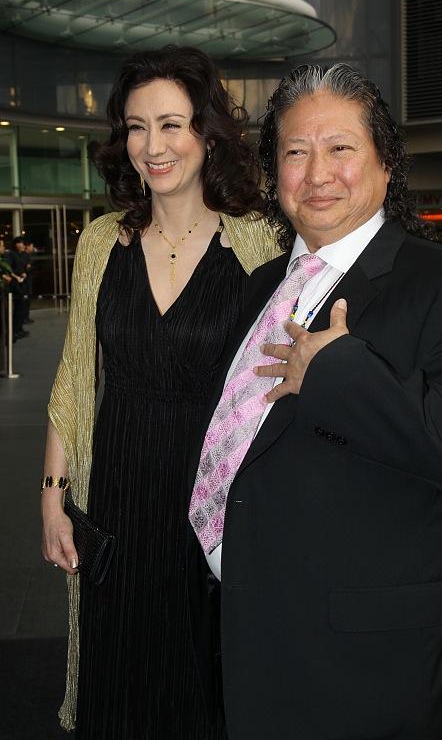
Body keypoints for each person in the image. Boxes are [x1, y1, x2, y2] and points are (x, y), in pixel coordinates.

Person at [188, 64, 442, 740]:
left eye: (340, 147)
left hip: (379, 671)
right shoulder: (260, 288)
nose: (317, 172)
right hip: (254, 635)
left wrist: (343, 374)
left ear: (386, 163)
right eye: (295, 151)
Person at [41, 45, 282, 739]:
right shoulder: (99, 243)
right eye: (138, 127)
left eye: (172, 124)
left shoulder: (259, 243)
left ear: (207, 132)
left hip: (214, 500)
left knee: (204, 676)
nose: (154, 146)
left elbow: (281, 381)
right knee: (116, 676)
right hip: (114, 491)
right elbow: (75, 378)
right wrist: (53, 495)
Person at [5, 236, 29, 340]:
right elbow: (9, 269)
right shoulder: (11, 254)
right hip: (14, 284)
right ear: (15, 244)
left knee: (22, 307)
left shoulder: (23, 254)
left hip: (22, 282)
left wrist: (24, 273)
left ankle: (19, 329)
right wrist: (16, 277)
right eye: (18, 243)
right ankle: (14, 331)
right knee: (18, 307)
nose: (20, 245)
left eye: (22, 243)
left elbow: (24, 267)